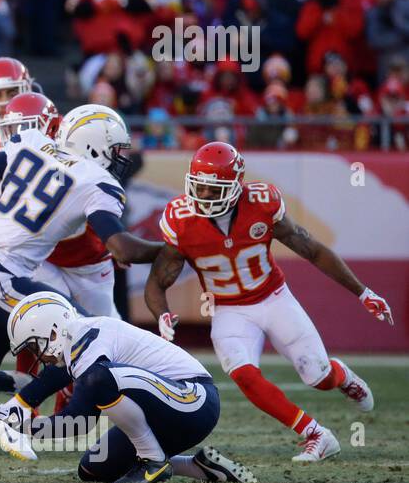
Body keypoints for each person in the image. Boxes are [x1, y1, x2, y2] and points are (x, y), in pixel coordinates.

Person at [0, 104, 163, 453]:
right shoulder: (95, 181)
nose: (119, 158)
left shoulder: (32, 142)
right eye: (116, 150)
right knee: (84, 335)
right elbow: (123, 249)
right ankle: (13, 413)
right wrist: (171, 249)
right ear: (96, 145)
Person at [145, 142, 391, 462]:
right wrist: (161, 314)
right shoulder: (181, 218)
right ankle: (316, 434)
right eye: (199, 186)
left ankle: (340, 375)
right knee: (243, 374)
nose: (203, 196)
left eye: (213, 189)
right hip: (229, 310)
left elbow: (312, 249)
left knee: (318, 378)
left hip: (274, 298)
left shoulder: (262, 203)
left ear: (235, 188)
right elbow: (157, 279)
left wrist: (363, 292)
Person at [5, 291, 256, 483]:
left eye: (35, 346)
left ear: (52, 332)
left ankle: (153, 460)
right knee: (94, 469)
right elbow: (81, 422)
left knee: (98, 378)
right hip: (168, 412)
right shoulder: (77, 347)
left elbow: (80, 414)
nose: (37, 355)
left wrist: (25, 425)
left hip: (195, 399)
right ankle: (197, 466)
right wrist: (24, 427)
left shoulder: (88, 337)